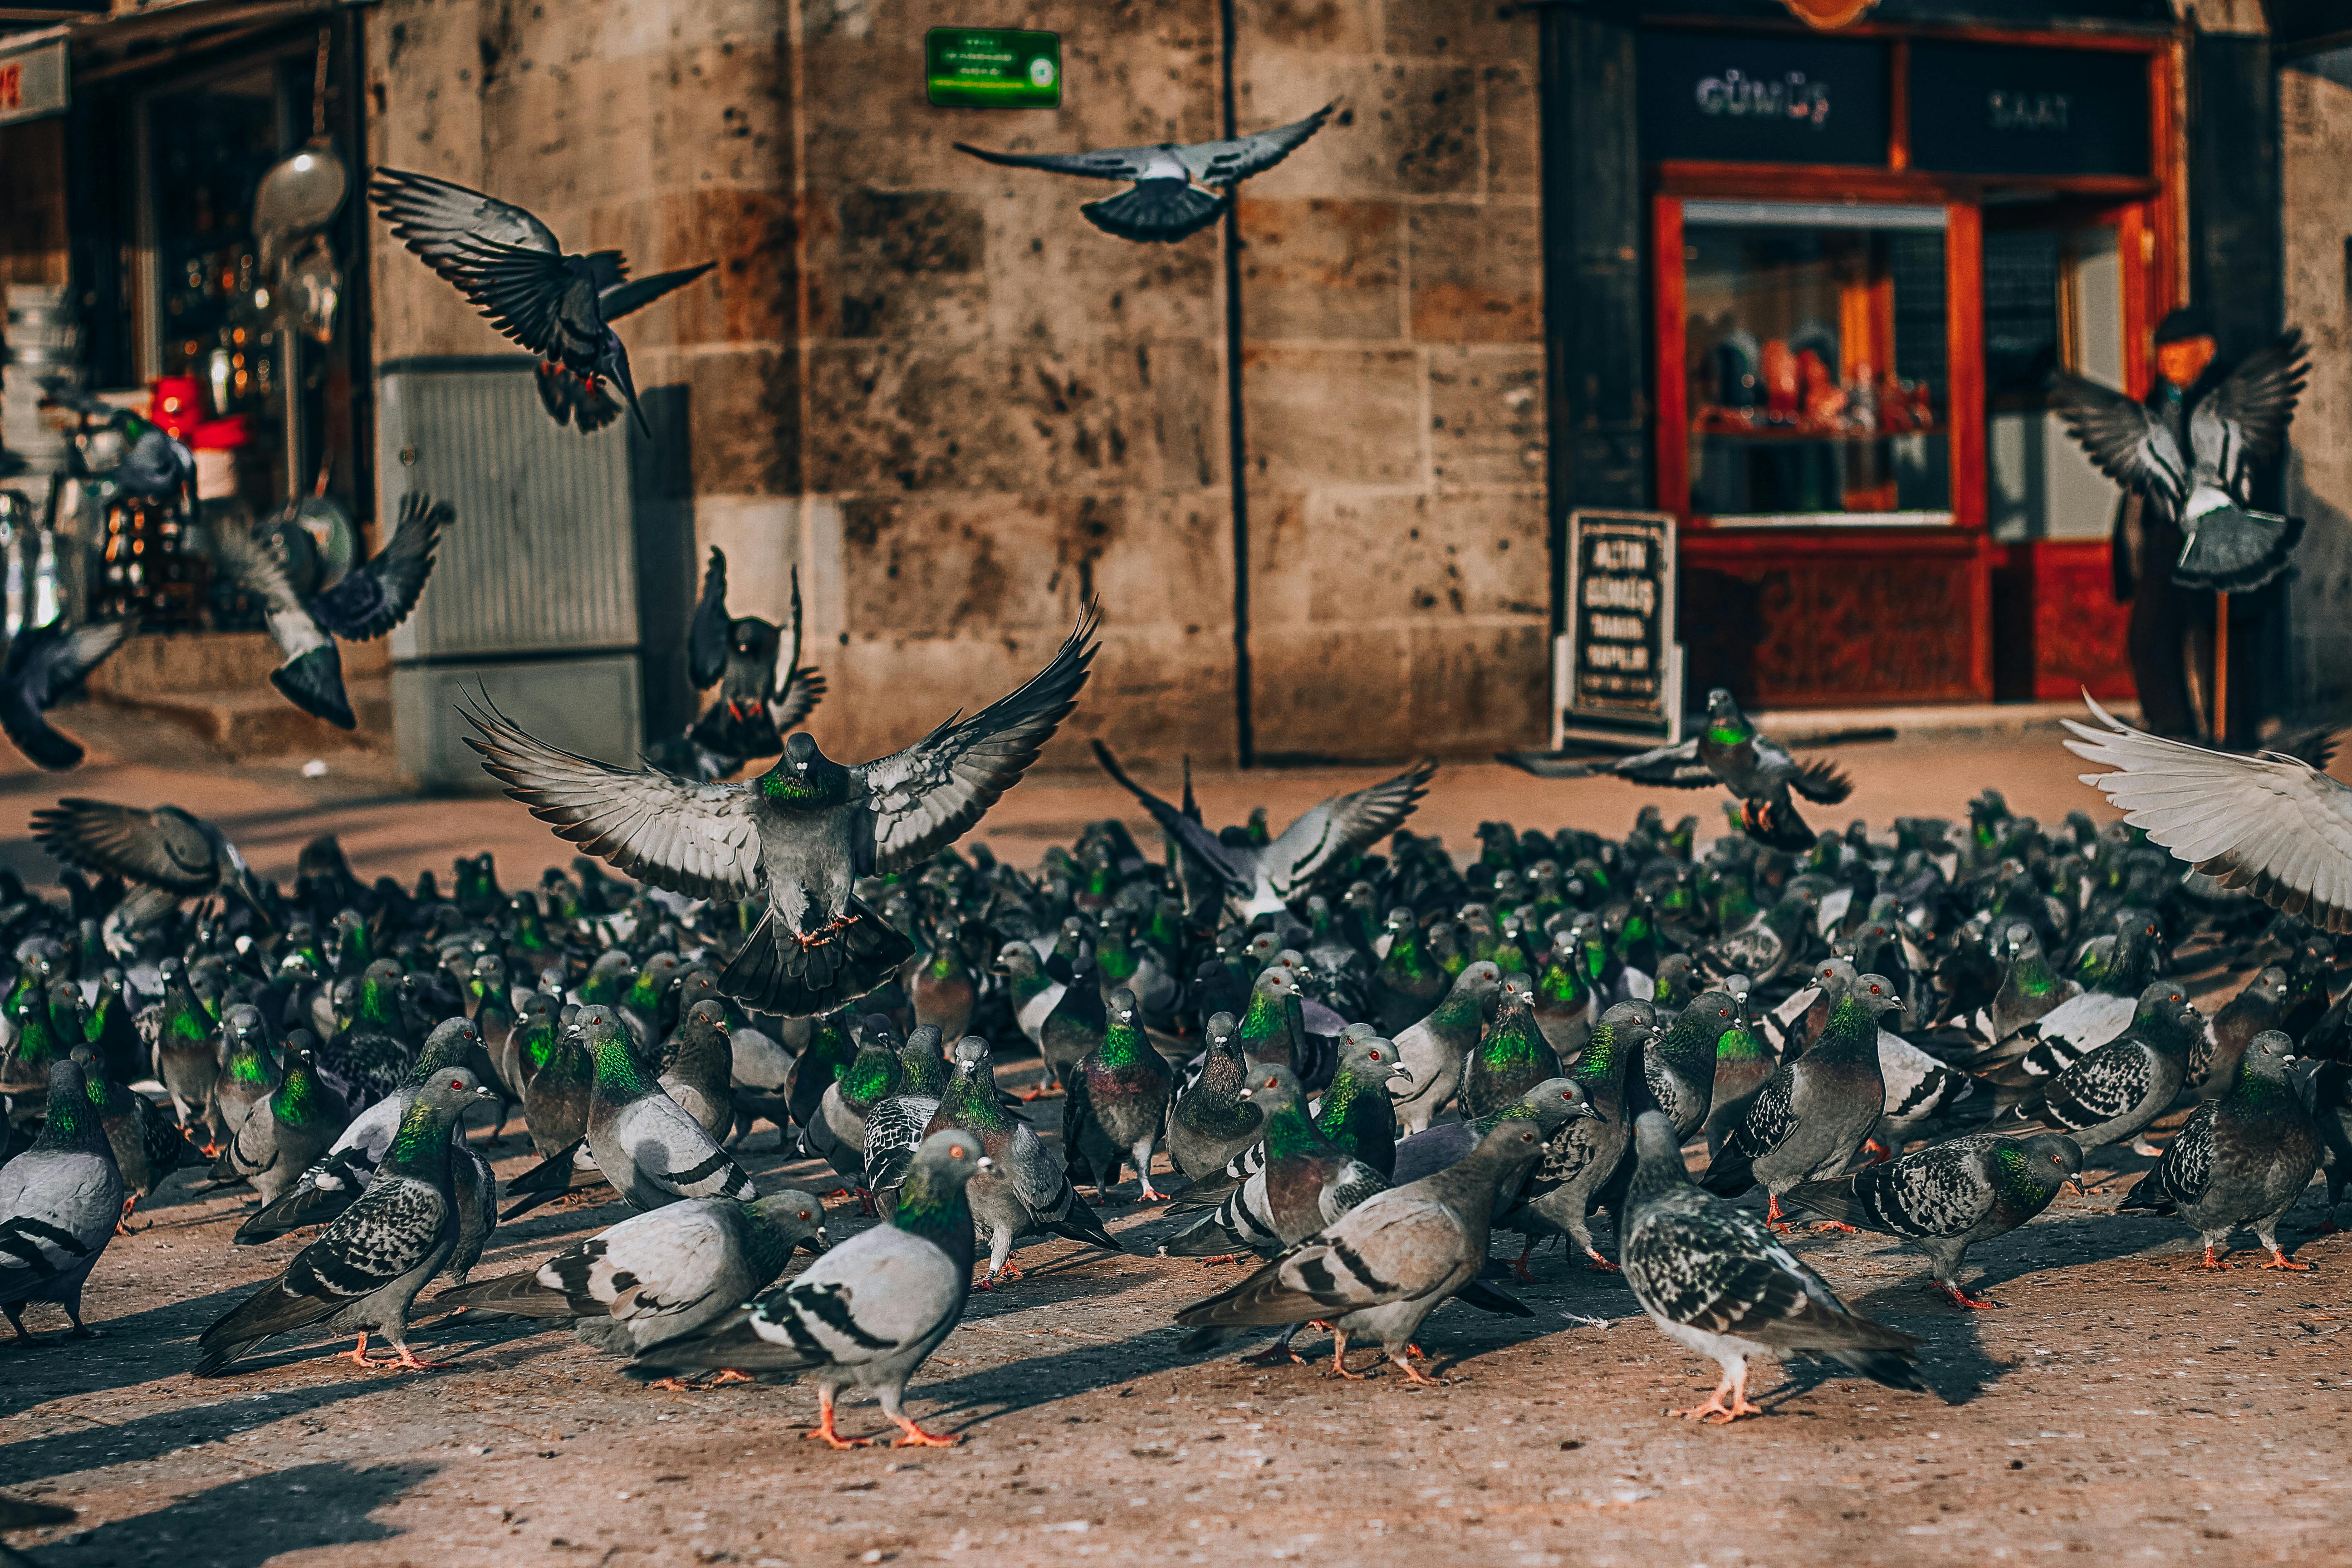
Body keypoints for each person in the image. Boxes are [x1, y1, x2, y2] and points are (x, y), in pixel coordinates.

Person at [2106, 307, 2271, 745]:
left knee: (2223, 638)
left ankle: (2234, 740)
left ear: (2206, 351)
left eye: (2177, 353)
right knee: (2149, 635)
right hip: (2168, 532)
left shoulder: (2232, 394)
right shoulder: (2159, 400)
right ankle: (2175, 731)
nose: (2167, 362)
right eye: (2163, 354)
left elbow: (2259, 457)